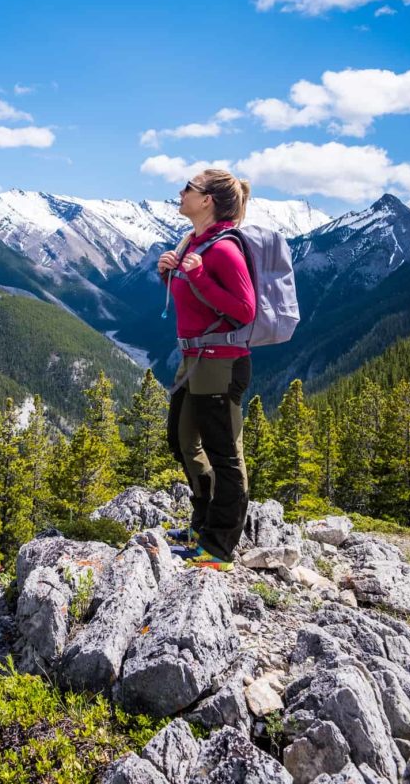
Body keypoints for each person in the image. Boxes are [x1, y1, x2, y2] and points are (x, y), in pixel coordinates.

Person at [157, 169, 256, 572]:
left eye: (189, 188)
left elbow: (245, 310)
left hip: (220, 363)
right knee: (181, 440)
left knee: (225, 453)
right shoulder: (195, 243)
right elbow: (198, 300)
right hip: (195, 359)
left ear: (207, 200)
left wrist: (196, 274)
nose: (181, 192)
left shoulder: (224, 248)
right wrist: (170, 273)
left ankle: (219, 546)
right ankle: (202, 524)